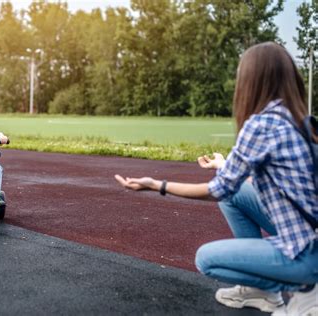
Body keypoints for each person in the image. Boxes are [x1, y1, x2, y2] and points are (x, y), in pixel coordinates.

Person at [115, 42, 317, 316]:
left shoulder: (260, 125)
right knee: (234, 194)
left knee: (206, 259)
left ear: (251, 80)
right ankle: (265, 293)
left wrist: (156, 184)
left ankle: (306, 291)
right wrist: (225, 164)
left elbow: (217, 190)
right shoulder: (304, 123)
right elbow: (280, 184)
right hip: (311, 234)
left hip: (308, 254)